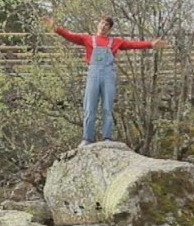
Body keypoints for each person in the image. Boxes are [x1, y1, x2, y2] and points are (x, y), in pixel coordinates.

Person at [41, 15, 167, 146]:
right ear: (98, 24)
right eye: (102, 23)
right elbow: (69, 35)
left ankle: (107, 137)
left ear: (110, 28)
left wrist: (151, 44)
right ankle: (87, 138)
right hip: (93, 74)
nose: (103, 26)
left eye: (106, 25)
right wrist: (55, 27)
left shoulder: (115, 42)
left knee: (107, 106)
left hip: (108, 75)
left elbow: (133, 44)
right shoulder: (88, 39)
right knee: (90, 106)